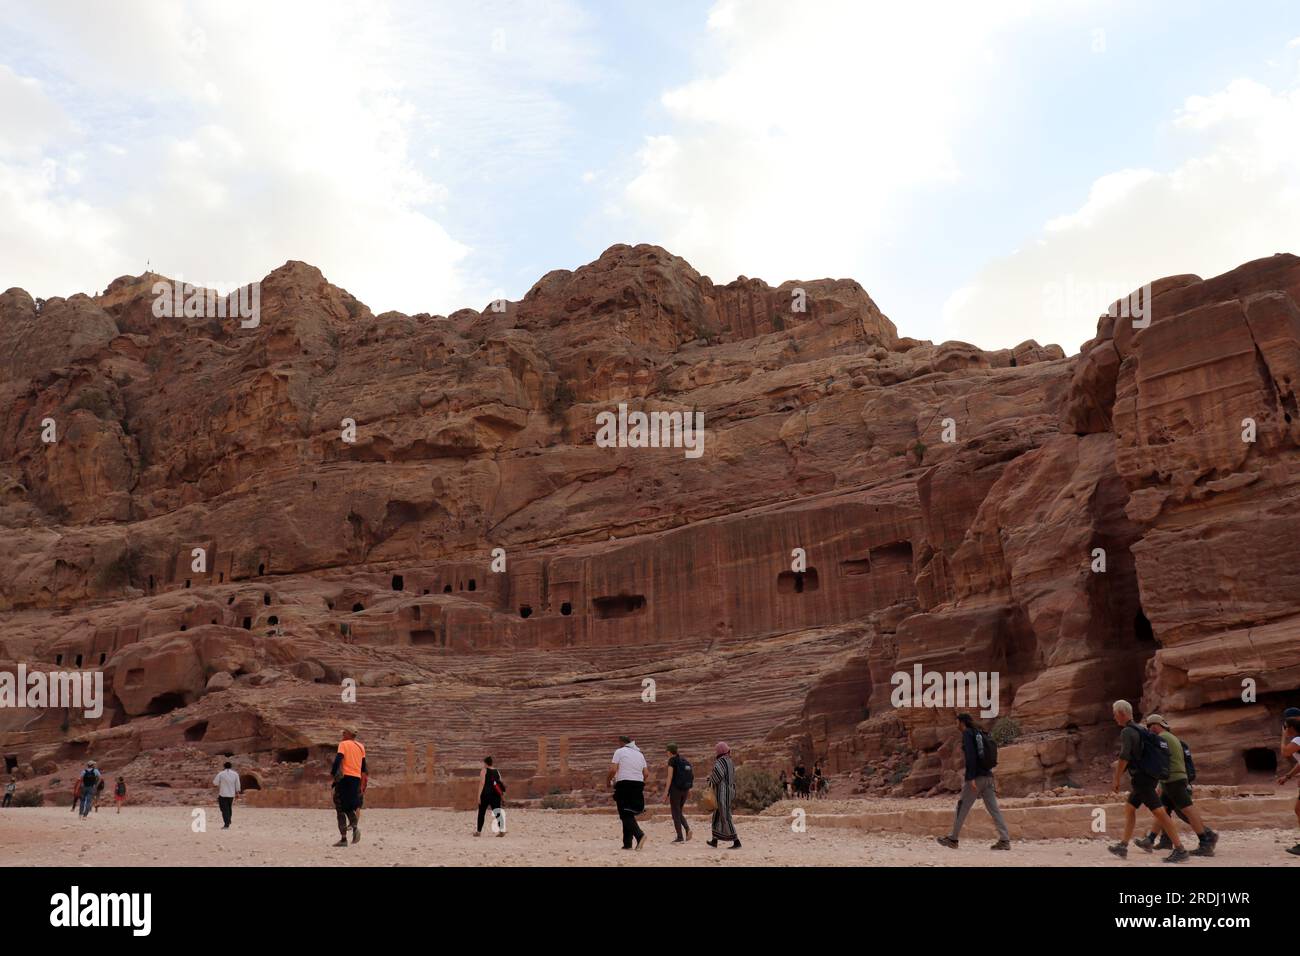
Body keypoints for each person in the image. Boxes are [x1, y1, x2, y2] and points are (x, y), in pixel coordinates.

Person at [1106, 700, 1187, 862]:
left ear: (1122, 714)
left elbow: (1124, 756)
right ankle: (1123, 846)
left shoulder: (1128, 731)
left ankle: (1180, 849)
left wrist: (1116, 779)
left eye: (1115, 715)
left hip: (1142, 780)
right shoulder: (1141, 729)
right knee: (1130, 808)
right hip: (1147, 777)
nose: (1115, 718)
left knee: (1160, 812)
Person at [1133, 715, 1217, 856]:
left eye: (1149, 728)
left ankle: (1206, 842)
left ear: (1154, 726)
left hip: (1174, 779)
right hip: (1171, 779)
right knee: (1163, 811)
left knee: (1187, 810)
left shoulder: (1163, 738)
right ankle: (1150, 839)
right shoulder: (1172, 738)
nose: (1149, 731)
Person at [936, 714, 1011, 850]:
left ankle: (953, 839)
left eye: (956, 722)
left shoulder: (968, 734)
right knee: (994, 809)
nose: (955, 725)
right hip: (988, 777)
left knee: (962, 807)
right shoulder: (980, 733)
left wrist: (970, 778)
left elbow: (971, 757)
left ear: (962, 723)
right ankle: (1005, 840)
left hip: (977, 778)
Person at [607, 734, 647, 850]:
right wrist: (638, 782)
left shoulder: (619, 751)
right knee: (628, 812)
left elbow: (613, 769)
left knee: (624, 814)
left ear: (621, 742)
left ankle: (640, 835)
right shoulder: (640, 754)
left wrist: (608, 780)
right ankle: (627, 843)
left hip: (624, 784)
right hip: (638, 784)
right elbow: (646, 774)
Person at [330, 727, 367, 847]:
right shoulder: (361, 746)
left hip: (345, 778)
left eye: (344, 733)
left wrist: (333, 773)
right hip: (356, 779)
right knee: (348, 806)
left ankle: (343, 838)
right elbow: (364, 767)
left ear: (348, 734)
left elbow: (338, 760)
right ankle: (354, 826)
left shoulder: (343, 744)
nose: (342, 734)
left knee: (340, 806)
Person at [706, 741, 740, 849]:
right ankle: (714, 840)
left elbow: (716, 777)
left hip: (722, 793)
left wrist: (709, 780)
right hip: (730, 792)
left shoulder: (720, 762)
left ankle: (736, 841)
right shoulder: (730, 762)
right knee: (717, 815)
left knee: (725, 816)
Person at [1277, 715, 1300, 855]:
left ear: (1291, 728)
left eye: (1286, 727)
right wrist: (1288, 776)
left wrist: (1283, 737)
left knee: (1299, 809)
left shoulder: (1298, 740)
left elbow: (1284, 752)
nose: (1285, 730)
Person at [664, 743, 693, 843]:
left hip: (675, 790)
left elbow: (670, 777)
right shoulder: (684, 760)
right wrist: (689, 790)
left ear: (669, 751)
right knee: (678, 811)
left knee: (675, 813)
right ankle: (687, 830)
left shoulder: (672, 761)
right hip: (685, 789)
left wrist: (665, 792)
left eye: (667, 751)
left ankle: (680, 837)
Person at [474, 756, 506, 837]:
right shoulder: (497, 771)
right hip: (495, 795)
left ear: (485, 763)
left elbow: (482, 783)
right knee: (498, 812)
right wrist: (502, 795)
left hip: (485, 795)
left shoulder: (484, 770)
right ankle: (502, 831)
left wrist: (478, 796)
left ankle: (478, 832)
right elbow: (500, 784)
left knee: (481, 813)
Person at [213, 761, 241, 828]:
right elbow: (237, 784)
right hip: (231, 794)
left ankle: (226, 824)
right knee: (229, 808)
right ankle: (228, 820)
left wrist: (219, 784)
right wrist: (237, 792)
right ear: (231, 766)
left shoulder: (221, 774)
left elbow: (215, 783)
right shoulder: (235, 774)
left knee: (224, 809)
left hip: (223, 794)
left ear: (224, 766)